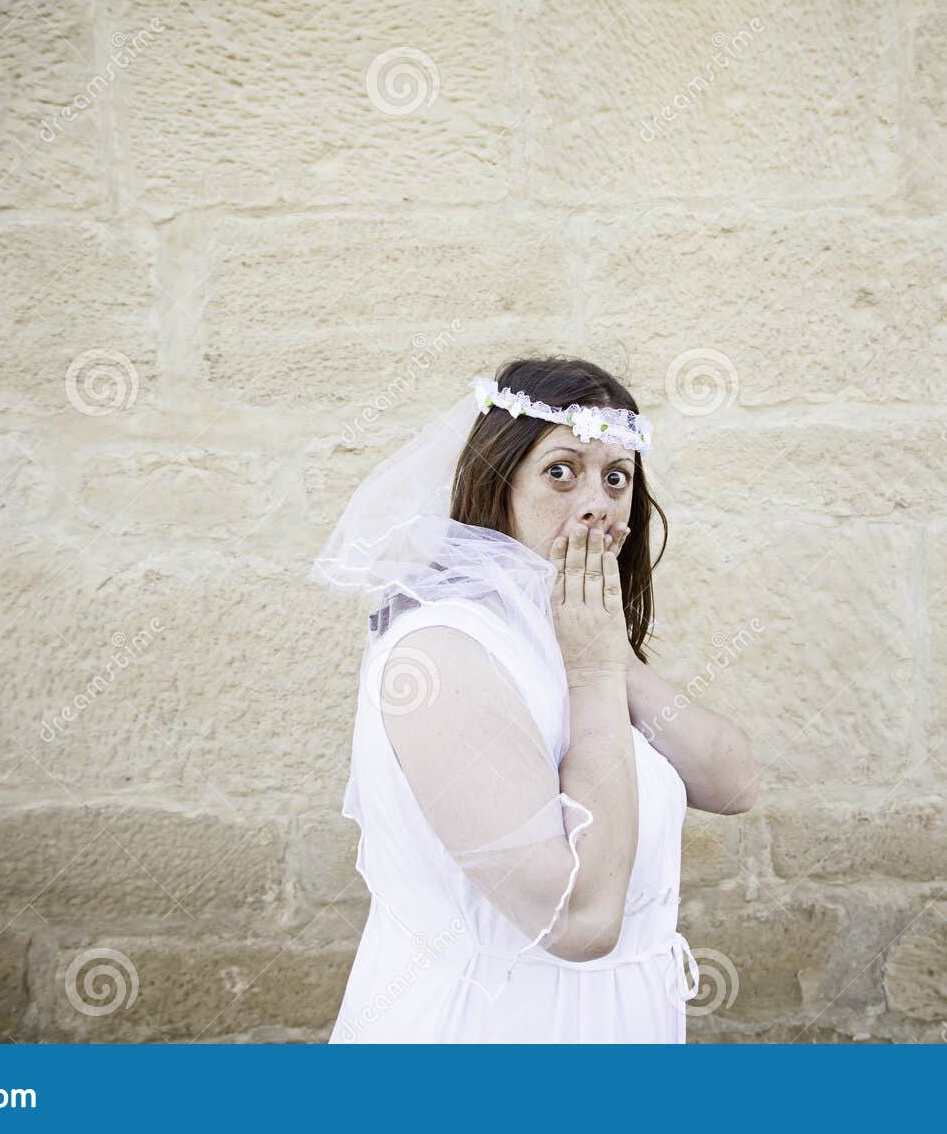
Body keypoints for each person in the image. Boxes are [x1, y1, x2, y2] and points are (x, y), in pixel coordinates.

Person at [311, 356, 758, 1042]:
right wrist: (594, 675)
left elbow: (736, 783)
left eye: (617, 476)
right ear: (499, 482)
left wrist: (608, 659)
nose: (596, 503)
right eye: (561, 470)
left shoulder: (583, 643)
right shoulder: (442, 653)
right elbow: (579, 919)